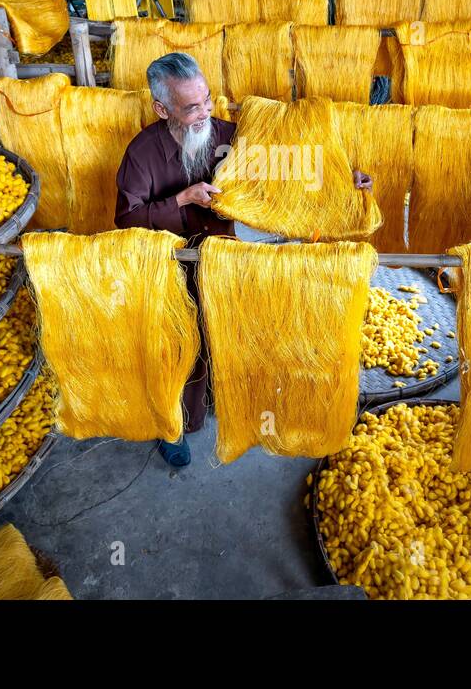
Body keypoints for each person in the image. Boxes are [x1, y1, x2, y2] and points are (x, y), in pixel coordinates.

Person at [115, 51, 371, 467]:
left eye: (208, 100)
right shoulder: (141, 153)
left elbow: (289, 169)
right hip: (170, 269)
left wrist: (345, 181)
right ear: (162, 109)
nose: (205, 113)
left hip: (229, 263)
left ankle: (228, 400)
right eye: (192, 106)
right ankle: (176, 425)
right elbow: (126, 219)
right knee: (182, 348)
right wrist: (183, 199)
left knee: (232, 337)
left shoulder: (232, 136)